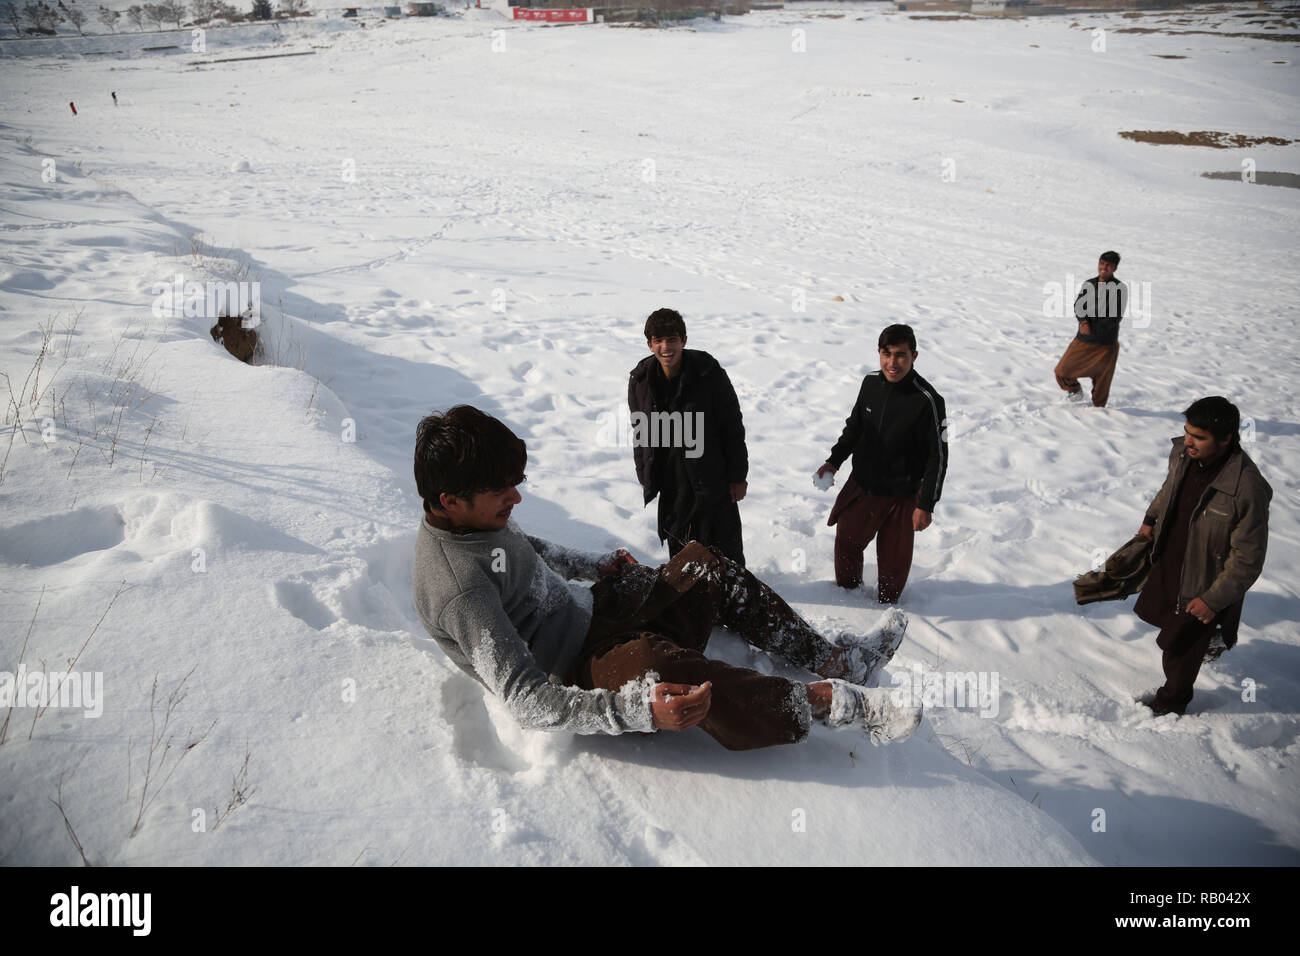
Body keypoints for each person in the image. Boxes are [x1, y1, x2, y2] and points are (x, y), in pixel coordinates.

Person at [411, 405, 921, 752]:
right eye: (502, 491)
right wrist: (634, 711)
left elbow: (527, 550)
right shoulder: (460, 591)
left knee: (702, 562)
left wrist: (595, 565)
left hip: (593, 608)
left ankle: (835, 659)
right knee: (662, 671)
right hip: (577, 664)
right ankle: (830, 703)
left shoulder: (478, 516)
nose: (516, 499)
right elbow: (526, 700)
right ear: (451, 501)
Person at [1133, 397, 1271, 716]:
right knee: (1163, 618)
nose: (1188, 441)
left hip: (1204, 579)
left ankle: (1170, 705)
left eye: (1198, 437)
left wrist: (1213, 599)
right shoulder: (1183, 452)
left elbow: (1248, 558)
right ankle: (1214, 636)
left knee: (1178, 646)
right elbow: (1169, 488)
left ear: (1226, 439)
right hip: (1171, 560)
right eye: (1187, 432)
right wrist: (1151, 519)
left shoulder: (1247, 488)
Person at [815, 324, 947, 603]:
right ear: (878, 353)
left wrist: (925, 505)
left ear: (914, 356)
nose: (892, 362)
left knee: (893, 566)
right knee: (846, 546)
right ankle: (847, 600)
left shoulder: (928, 401)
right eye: (886, 354)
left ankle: (888, 610)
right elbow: (854, 429)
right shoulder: (870, 383)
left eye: (901, 355)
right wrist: (833, 461)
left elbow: (938, 457)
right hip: (862, 486)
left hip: (902, 496)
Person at [628, 308, 749, 565]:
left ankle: (733, 598)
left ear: (683, 340)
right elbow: (640, 431)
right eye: (658, 341)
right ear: (649, 345)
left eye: (672, 339)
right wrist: (644, 474)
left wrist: (738, 476)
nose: (666, 347)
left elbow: (732, 426)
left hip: (711, 474)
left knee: (725, 549)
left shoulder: (708, 372)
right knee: (682, 553)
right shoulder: (640, 380)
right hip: (671, 481)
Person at [1054, 251, 1127, 407]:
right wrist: (1083, 322)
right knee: (1062, 370)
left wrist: (1092, 327)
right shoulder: (1089, 284)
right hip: (1084, 340)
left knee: (1102, 383)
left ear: (1115, 268)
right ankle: (1074, 391)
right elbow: (1079, 305)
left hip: (1106, 345)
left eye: (1108, 265)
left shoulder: (1119, 288)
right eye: (1102, 263)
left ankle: (1098, 415)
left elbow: (1114, 318)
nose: (1104, 267)